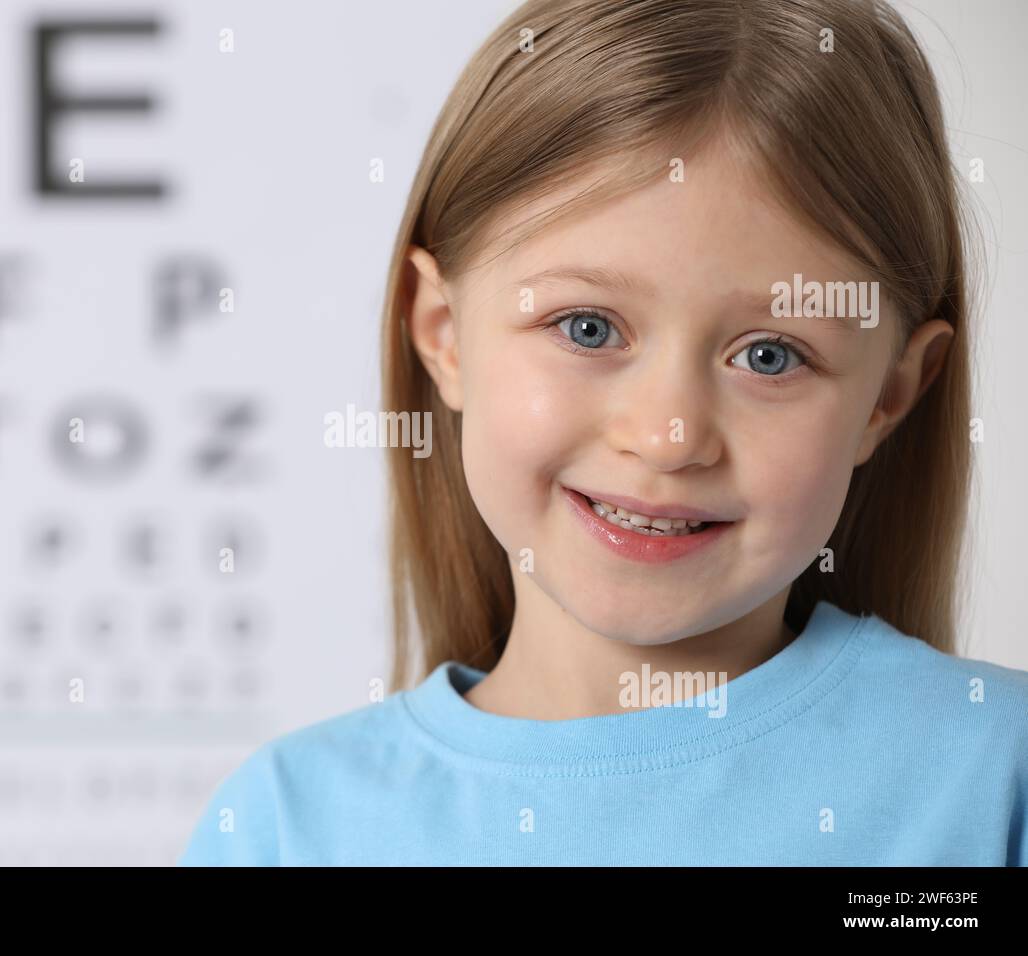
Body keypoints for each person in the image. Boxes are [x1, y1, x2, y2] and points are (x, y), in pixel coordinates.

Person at [179, 0, 1028, 865]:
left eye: (770, 355)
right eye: (586, 327)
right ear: (441, 331)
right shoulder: (289, 825)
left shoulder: (1000, 778)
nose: (668, 437)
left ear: (888, 397)